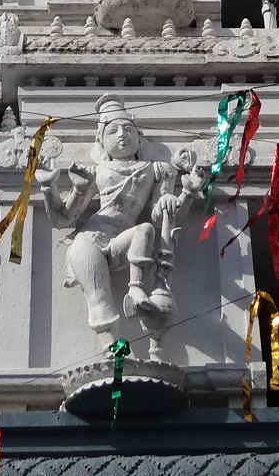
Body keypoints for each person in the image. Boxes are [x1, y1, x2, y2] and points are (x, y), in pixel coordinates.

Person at [43, 95, 192, 338]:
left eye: (127, 128)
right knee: (98, 299)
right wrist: (53, 189)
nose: (122, 134)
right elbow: (63, 219)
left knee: (145, 230)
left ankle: (136, 291)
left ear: (139, 137)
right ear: (101, 141)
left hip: (121, 240)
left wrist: (180, 196)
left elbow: (159, 218)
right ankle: (109, 353)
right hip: (90, 240)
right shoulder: (96, 172)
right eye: (112, 130)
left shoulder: (155, 170)